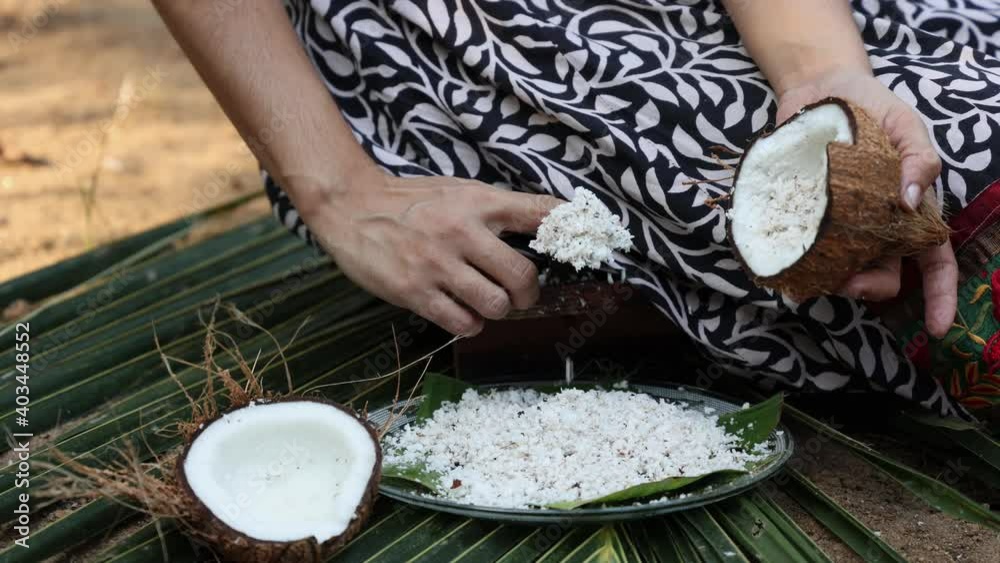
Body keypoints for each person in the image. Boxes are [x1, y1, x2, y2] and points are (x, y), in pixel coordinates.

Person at [153, 1, 1000, 419]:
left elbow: (831, 90)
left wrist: (821, 73)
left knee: (917, 151)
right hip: (454, 43)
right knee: (748, 208)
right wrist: (341, 190)